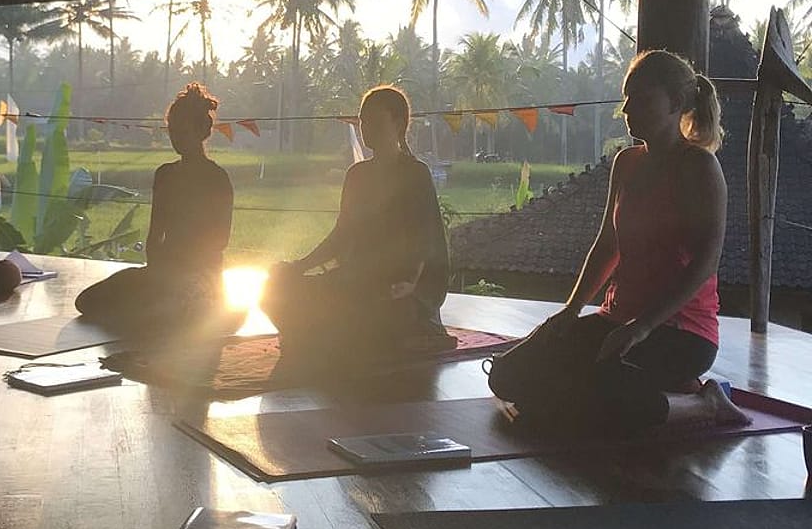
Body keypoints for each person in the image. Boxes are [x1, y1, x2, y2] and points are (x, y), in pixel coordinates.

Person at [487, 49, 750, 432]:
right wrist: (572, 309)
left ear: (676, 104)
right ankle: (661, 386)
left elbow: (704, 263)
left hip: (681, 332)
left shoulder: (699, 167)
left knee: (589, 390)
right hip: (616, 320)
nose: (627, 109)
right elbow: (608, 245)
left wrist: (642, 327)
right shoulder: (627, 163)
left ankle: (704, 404)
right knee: (508, 376)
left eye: (640, 99)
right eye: (626, 97)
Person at [259, 85, 452, 356]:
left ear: (398, 123)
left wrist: (410, 282)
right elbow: (341, 236)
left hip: (399, 288)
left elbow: (424, 239)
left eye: (375, 121)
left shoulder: (415, 174)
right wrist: (298, 267)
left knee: (374, 311)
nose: (366, 128)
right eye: (363, 121)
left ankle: (347, 334)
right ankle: (336, 335)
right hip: (357, 280)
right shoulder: (357, 175)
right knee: (276, 289)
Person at [75, 82, 234, 328]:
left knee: (154, 314)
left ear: (201, 130)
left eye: (181, 131)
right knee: (87, 302)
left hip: (200, 278)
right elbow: (154, 234)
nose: (175, 138)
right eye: (172, 131)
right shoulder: (165, 174)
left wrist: (176, 268)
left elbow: (219, 241)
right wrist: (156, 272)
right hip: (163, 273)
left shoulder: (217, 179)